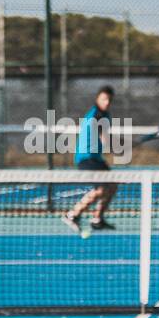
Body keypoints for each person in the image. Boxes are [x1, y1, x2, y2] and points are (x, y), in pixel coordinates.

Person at [62, 85, 118, 233]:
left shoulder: (105, 114)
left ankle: (97, 219)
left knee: (112, 186)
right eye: (104, 99)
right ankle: (72, 214)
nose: (107, 102)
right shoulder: (96, 115)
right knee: (101, 189)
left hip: (96, 158)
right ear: (97, 99)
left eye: (109, 100)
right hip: (86, 158)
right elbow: (104, 138)